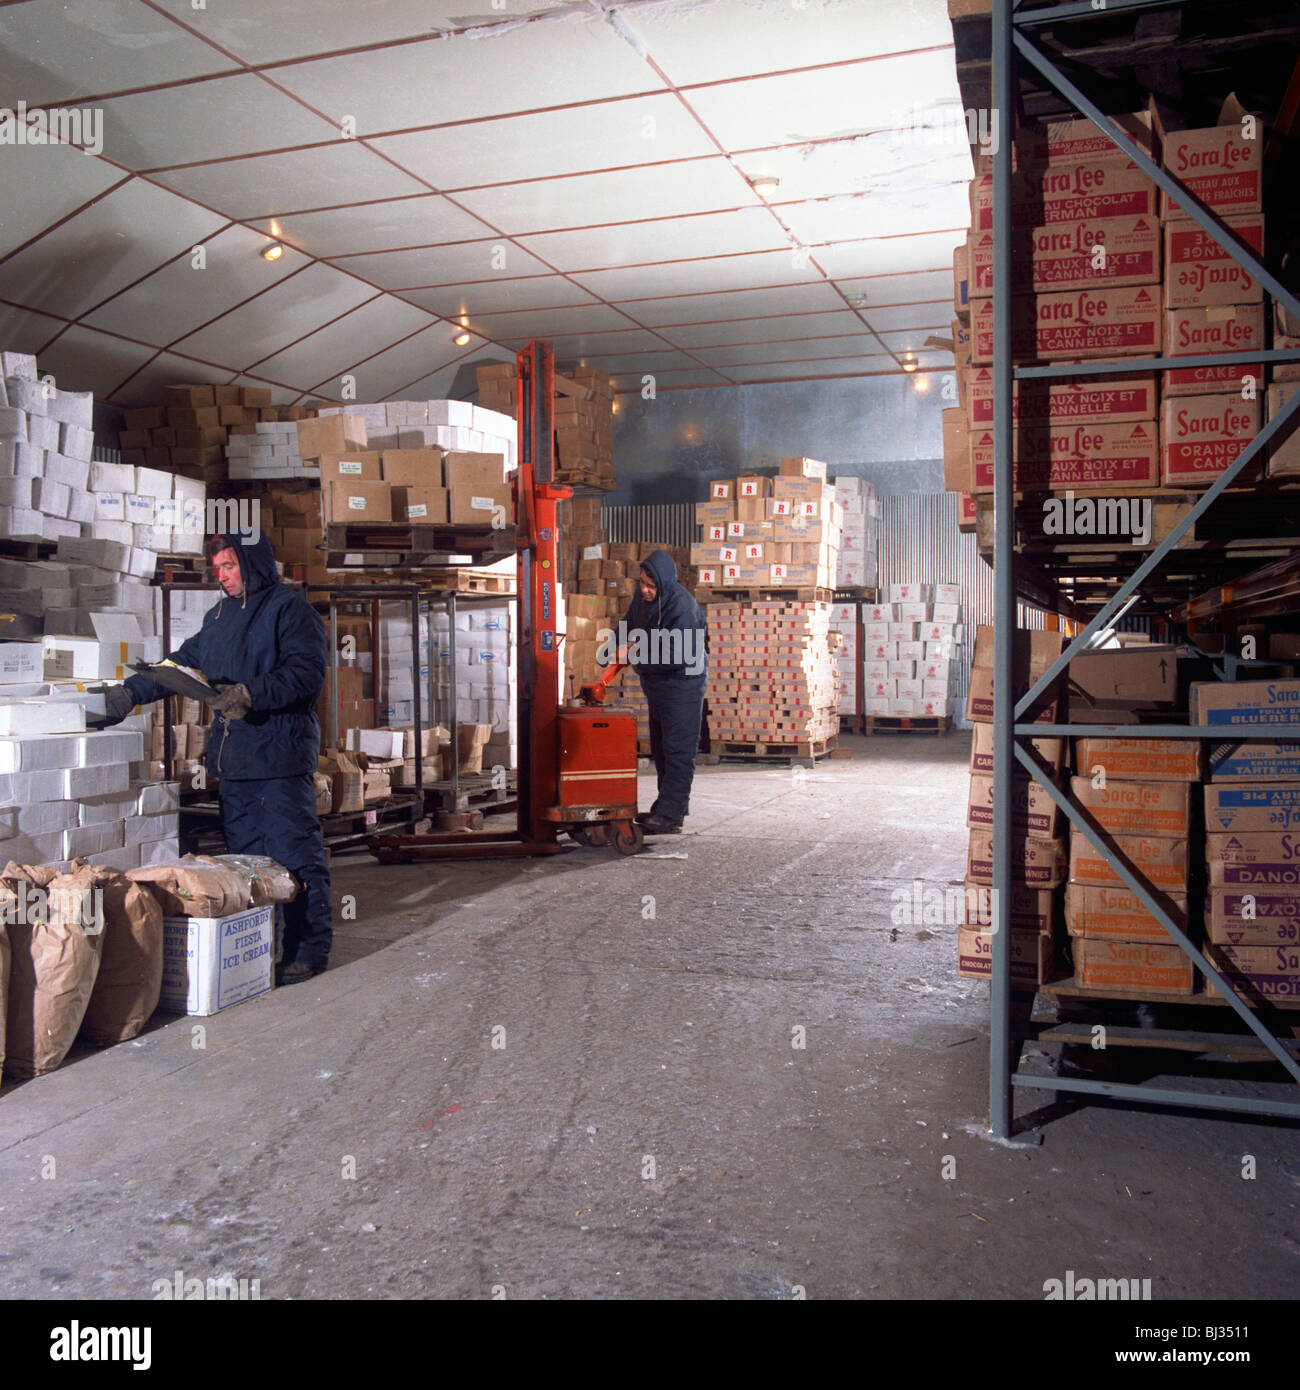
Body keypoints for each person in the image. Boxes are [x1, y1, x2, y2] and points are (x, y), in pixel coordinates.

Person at [101, 531, 331, 986]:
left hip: (280, 757)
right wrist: (132, 692)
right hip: (236, 761)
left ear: (254, 564)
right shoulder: (219, 615)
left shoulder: (290, 610)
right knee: (246, 864)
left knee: (293, 855)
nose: (223, 576)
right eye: (218, 568)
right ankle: (259, 945)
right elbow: (184, 664)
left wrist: (250, 693)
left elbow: (306, 673)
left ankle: (307, 949)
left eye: (230, 566)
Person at [616, 549, 707, 835]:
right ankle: (666, 808)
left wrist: (635, 652)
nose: (645, 589)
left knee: (678, 749)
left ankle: (671, 814)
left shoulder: (682, 607)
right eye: (642, 583)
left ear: (664, 584)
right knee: (661, 749)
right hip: (658, 684)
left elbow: (676, 654)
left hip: (683, 684)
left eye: (651, 585)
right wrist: (613, 647)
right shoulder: (642, 600)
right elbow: (628, 625)